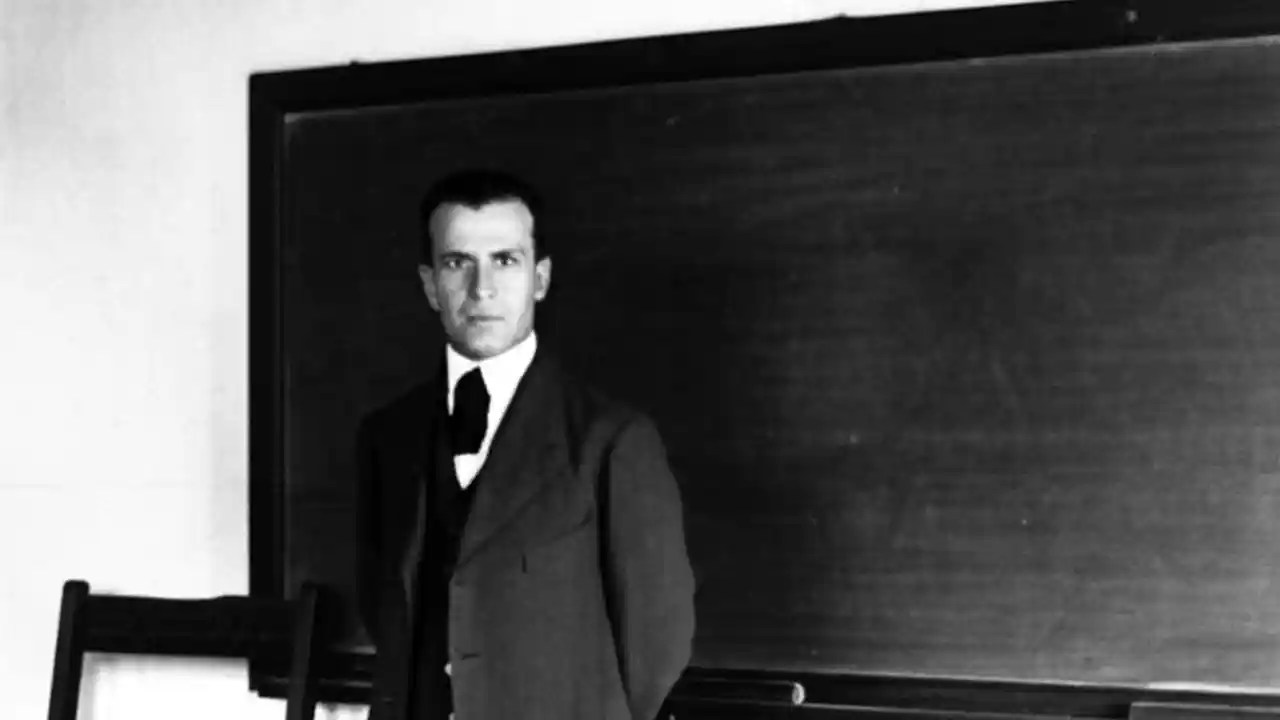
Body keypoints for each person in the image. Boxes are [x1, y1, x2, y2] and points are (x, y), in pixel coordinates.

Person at [355, 169, 696, 720]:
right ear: (429, 285)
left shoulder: (612, 440)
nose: (481, 288)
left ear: (540, 278)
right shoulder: (386, 436)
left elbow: (656, 648)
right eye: (457, 262)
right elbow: (384, 611)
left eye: (505, 260)